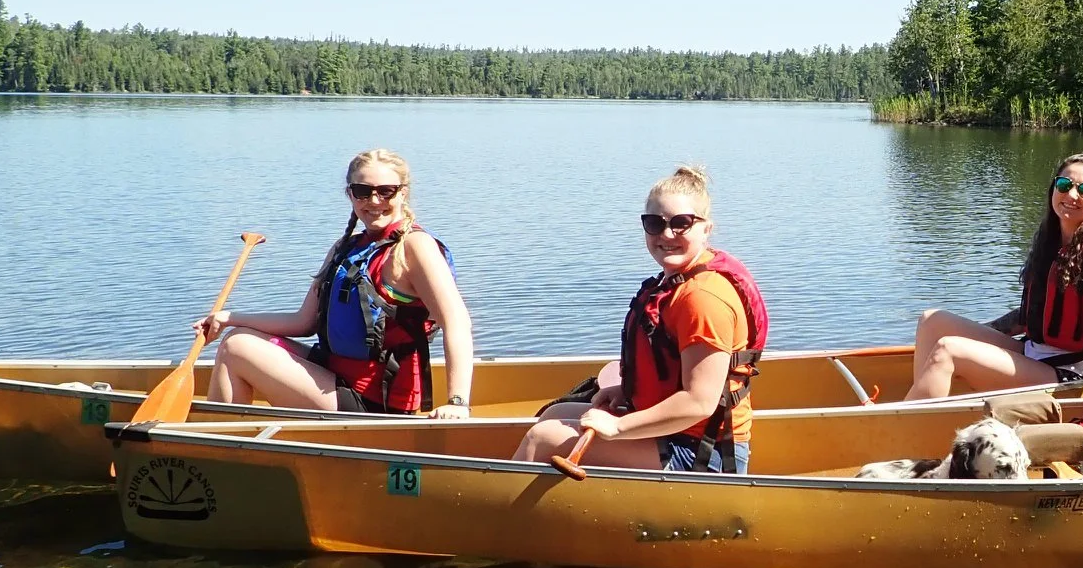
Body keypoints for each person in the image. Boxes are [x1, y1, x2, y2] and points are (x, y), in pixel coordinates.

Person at [515, 165, 766, 473]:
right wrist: (627, 392)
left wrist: (619, 428)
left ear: (706, 229)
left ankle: (500, 516)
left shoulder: (703, 298)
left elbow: (699, 403)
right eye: (654, 224)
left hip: (703, 454)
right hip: (674, 435)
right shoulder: (675, 283)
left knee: (543, 437)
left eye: (681, 223)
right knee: (557, 414)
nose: (666, 234)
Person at [902, 151, 1083, 405]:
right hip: (1033, 353)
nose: (1072, 195)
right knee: (933, 321)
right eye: (1065, 184)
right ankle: (924, 402)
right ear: (1053, 188)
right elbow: (1034, 312)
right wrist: (980, 336)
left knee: (948, 351)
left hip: (1067, 375)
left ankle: (910, 434)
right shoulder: (1051, 237)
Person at [198, 148, 475, 417]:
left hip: (377, 399)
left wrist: (457, 402)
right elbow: (304, 322)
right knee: (237, 338)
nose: (374, 200)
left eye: (385, 191)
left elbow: (457, 323)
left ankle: (222, 445)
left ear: (403, 193)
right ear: (350, 195)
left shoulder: (415, 247)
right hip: (337, 378)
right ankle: (225, 436)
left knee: (238, 349)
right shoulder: (346, 247)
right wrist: (229, 318)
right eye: (363, 191)